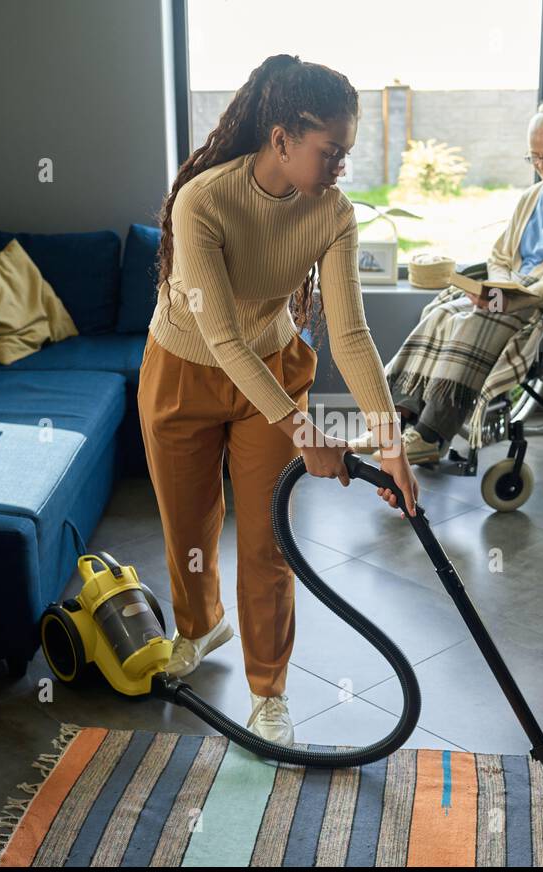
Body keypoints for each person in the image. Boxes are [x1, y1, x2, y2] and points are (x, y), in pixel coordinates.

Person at [138, 54, 419, 748]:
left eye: (346, 154)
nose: (341, 167)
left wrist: (391, 443)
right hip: (183, 369)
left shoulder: (333, 213)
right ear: (283, 138)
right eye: (332, 151)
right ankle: (199, 630)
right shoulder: (204, 198)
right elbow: (220, 335)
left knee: (267, 540)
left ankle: (269, 691)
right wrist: (306, 429)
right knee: (190, 526)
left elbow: (350, 334)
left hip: (271, 365)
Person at [348, 97, 543, 464]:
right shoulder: (531, 197)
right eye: (534, 157)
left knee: (477, 319)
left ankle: (429, 434)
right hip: (510, 288)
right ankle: (392, 424)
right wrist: (498, 287)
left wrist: (514, 297)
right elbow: (500, 256)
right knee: (441, 314)